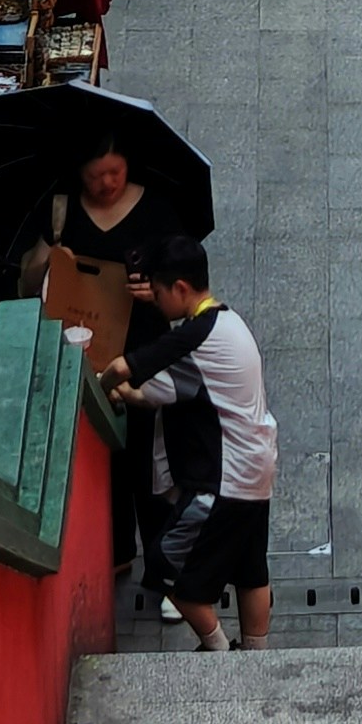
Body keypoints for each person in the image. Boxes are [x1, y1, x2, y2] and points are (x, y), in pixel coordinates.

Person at [20, 138, 201, 604]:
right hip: (86, 351)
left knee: (152, 461)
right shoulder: (60, 211)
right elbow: (28, 280)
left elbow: (186, 279)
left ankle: (164, 562)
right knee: (105, 456)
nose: (106, 184)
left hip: (145, 349)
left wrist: (153, 291)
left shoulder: (156, 211)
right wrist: (51, 259)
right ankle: (116, 550)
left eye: (115, 173)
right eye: (96, 175)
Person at [105, 241, 277, 650]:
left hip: (224, 477)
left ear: (179, 288)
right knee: (251, 570)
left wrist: (98, 389)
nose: (158, 303)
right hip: (257, 470)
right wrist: (129, 395)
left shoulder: (195, 337)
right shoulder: (230, 323)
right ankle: (258, 656)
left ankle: (218, 650)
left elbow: (121, 369)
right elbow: (157, 393)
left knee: (167, 566)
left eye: (159, 293)